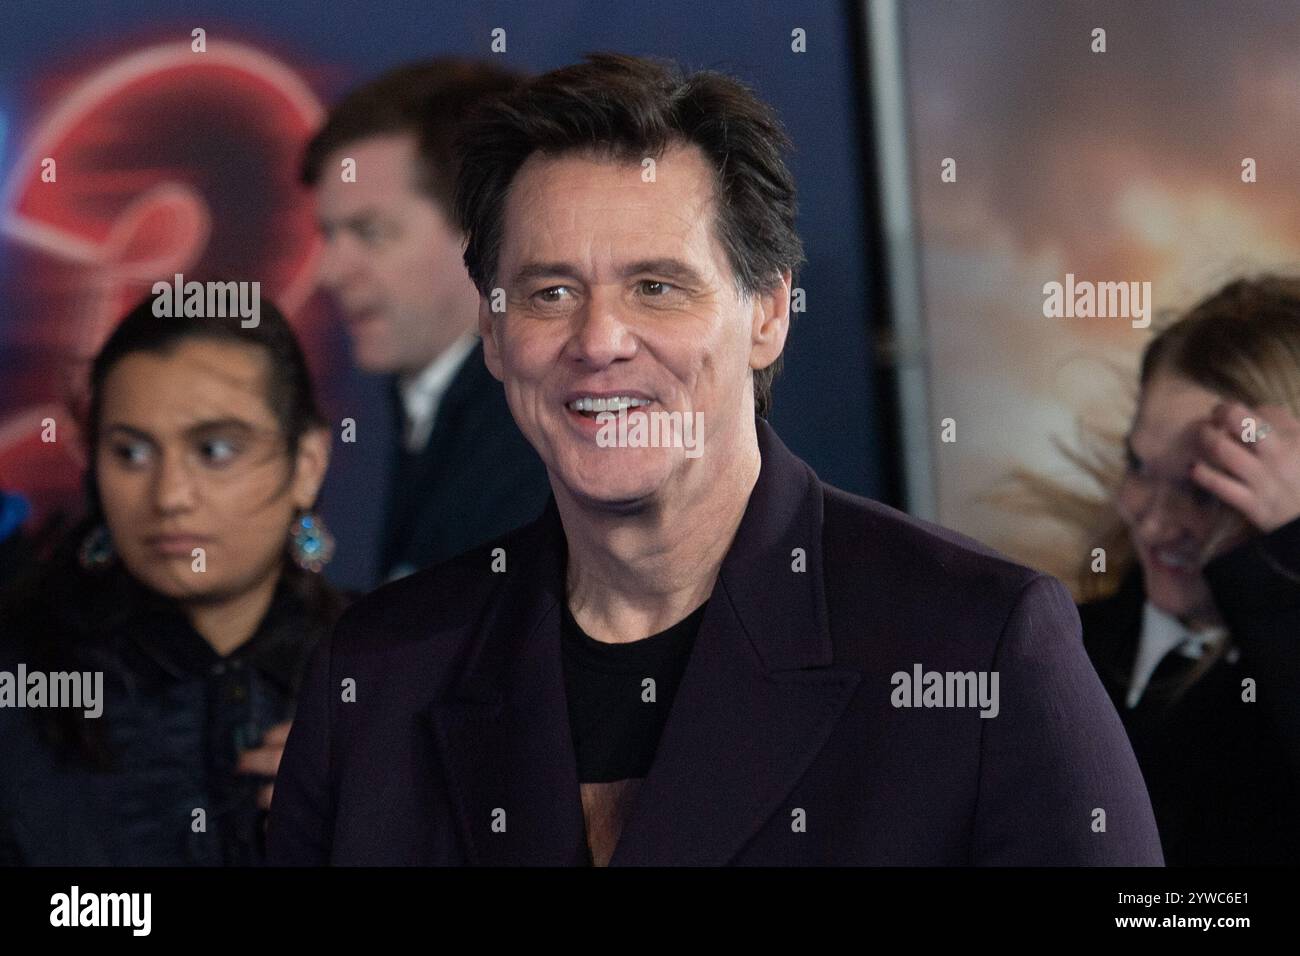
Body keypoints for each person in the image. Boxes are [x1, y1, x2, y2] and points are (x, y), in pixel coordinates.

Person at [267, 53, 1161, 866]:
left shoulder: (978, 644)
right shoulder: (379, 675)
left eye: (657, 287)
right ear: (495, 332)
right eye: (551, 292)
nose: (599, 340)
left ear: (768, 315)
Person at [0, 292, 344, 865]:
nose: (168, 497)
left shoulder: (395, 681)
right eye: (131, 453)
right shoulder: (20, 686)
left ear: (306, 463)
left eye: (214, 450)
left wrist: (388, 814)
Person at [1067, 277, 1300, 865]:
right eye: (1140, 466)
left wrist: (1287, 561)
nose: (1154, 523)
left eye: (1204, 490)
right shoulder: (1055, 645)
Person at [303, 60, 551, 581]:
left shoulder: (545, 432)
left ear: (481, 231)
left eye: (370, 232)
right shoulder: (425, 399)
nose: (328, 272)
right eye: (329, 236)